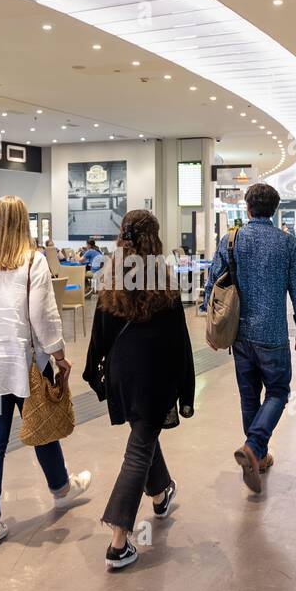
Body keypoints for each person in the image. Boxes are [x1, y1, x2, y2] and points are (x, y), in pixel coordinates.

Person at [0, 195, 90, 552]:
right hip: (23, 361)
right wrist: (59, 355)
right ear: (25, 224)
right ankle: (62, 489)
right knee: (42, 424)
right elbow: (42, 314)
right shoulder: (32, 261)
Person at [83, 210, 194, 570]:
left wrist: (93, 373)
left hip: (121, 375)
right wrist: (186, 388)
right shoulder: (163, 278)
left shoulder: (111, 276)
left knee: (143, 436)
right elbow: (179, 340)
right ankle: (118, 541)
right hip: (154, 376)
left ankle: (160, 494)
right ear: (154, 238)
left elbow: (99, 333)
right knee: (138, 449)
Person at [202, 182, 296, 493]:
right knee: (277, 392)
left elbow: (212, 284)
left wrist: (211, 325)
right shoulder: (287, 243)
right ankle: (254, 447)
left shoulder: (232, 240)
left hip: (240, 334)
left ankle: (258, 456)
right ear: (274, 211)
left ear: (247, 208)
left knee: (249, 396)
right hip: (273, 333)